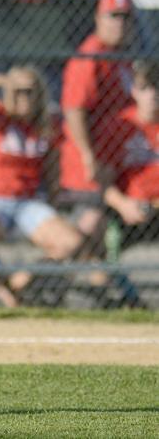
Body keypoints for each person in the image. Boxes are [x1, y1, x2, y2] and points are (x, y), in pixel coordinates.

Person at [0, 67, 83, 308]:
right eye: (17, 91)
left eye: (29, 91)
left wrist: (53, 199)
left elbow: (51, 168)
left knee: (72, 243)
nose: (23, 97)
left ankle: (18, 283)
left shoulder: (47, 124)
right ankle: (9, 296)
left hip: (27, 202)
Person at [59, 0, 134, 264]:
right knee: (88, 229)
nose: (120, 23)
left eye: (125, 17)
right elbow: (74, 109)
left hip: (114, 161)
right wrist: (87, 154)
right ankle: (40, 278)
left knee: (101, 231)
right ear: (98, 18)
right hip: (89, 165)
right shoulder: (90, 56)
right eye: (113, 16)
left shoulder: (119, 57)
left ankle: (101, 279)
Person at [100, 60, 158, 308]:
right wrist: (124, 205)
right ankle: (129, 300)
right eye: (145, 88)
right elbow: (103, 183)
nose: (153, 94)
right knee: (104, 237)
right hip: (128, 209)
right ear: (134, 91)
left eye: (157, 86)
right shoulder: (120, 126)